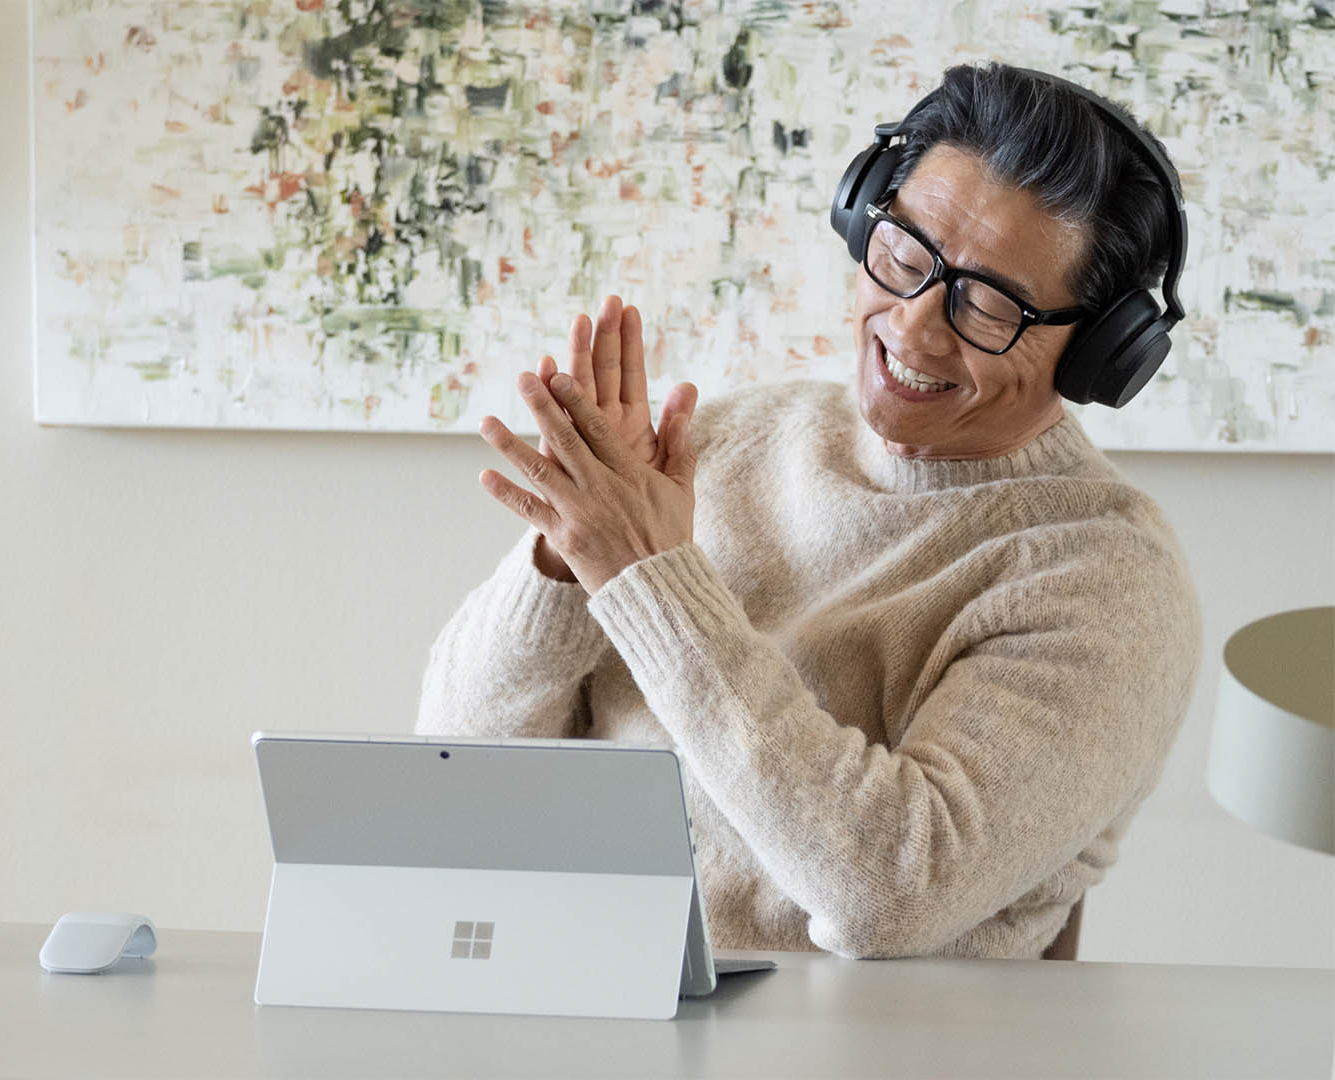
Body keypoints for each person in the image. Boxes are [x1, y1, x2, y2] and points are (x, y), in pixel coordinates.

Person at [417, 62, 1204, 959]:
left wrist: (647, 580)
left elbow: (892, 893)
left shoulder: (1103, 575)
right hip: (569, 995)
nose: (911, 327)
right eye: (903, 255)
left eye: (988, 304)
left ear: (1098, 353)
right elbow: (455, 767)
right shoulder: (727, 438)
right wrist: (569, 558)